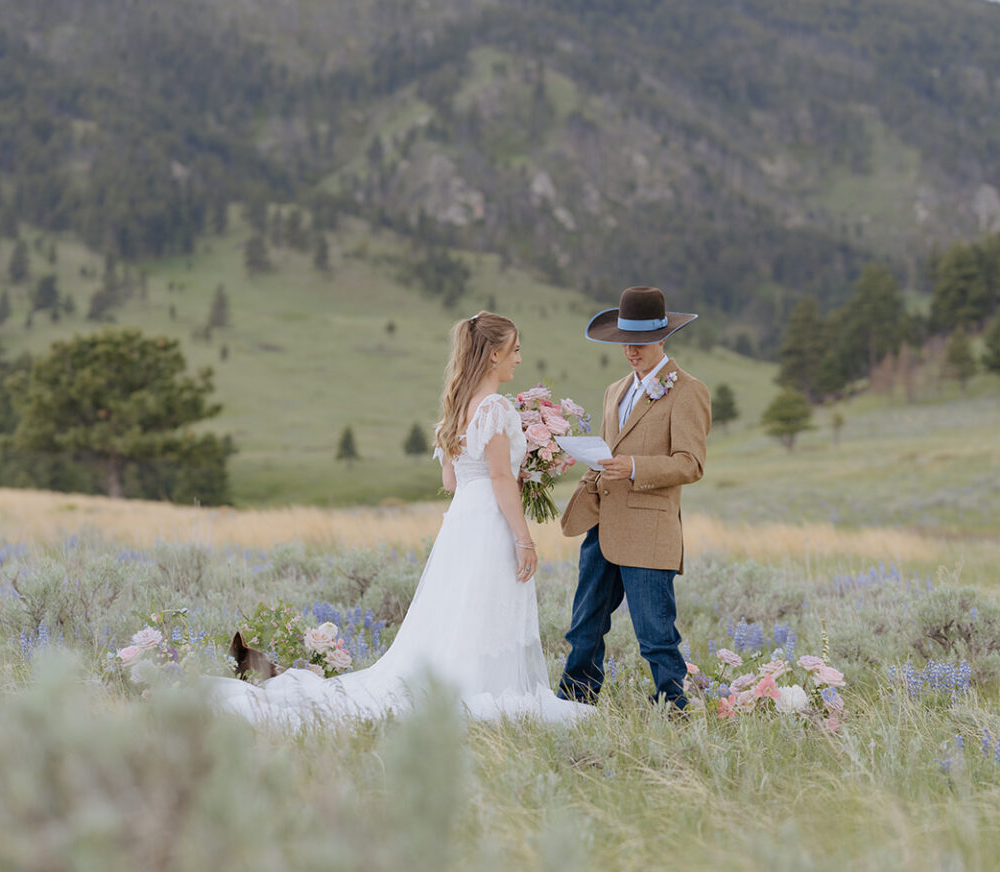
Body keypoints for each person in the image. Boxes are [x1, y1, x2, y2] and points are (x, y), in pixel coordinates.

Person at [212, 312, 585, 726]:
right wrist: (524, 537)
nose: (519, 358)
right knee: (485, 605)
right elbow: (499, 477)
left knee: (460, 606)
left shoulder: (457, 406)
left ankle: (458, 685)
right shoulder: (495, 407)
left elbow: (451, 478)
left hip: (463, 519)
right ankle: (485, 690)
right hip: (491, 519)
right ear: (494, 354)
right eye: (514, 350)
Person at [558, 285, 711, 709]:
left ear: (663, 337)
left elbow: (691, 463)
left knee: (656, 635)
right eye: (625, 341)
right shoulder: (614, 390)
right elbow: (611, 450)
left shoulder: (688, 391)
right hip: (602, 525)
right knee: (584, 627)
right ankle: (574, 704)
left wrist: (636, 467)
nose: (631, 351)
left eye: (640, 342)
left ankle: (674, 710)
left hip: (649, 530)